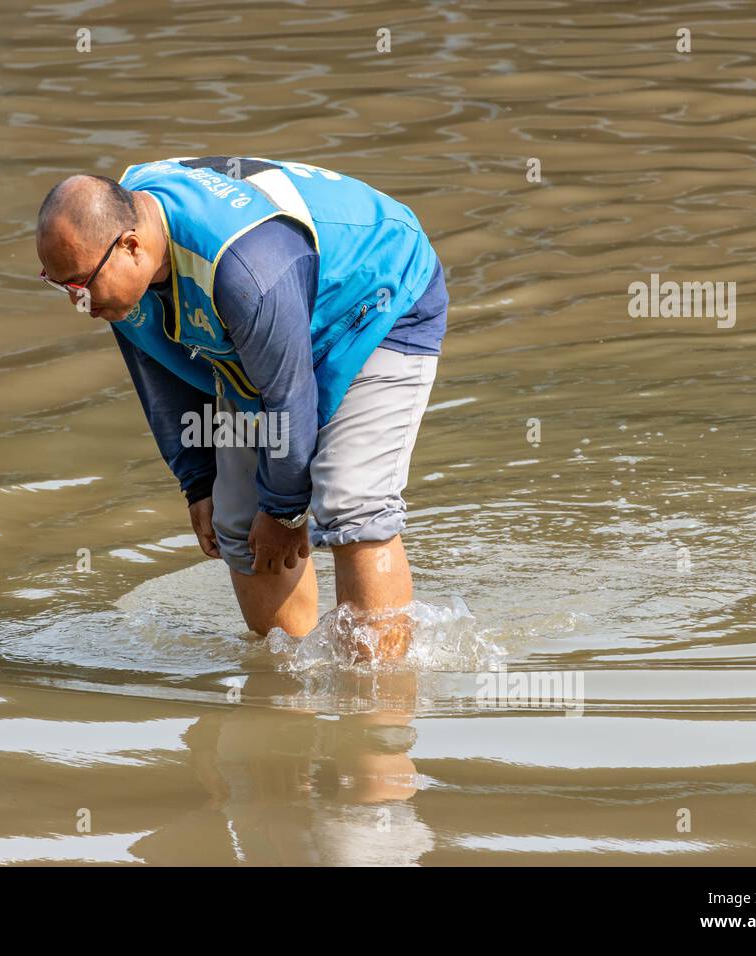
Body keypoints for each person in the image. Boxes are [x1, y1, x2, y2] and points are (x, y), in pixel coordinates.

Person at [35, 156, 447, 659]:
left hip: (375, 298)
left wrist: (285, 512)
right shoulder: (113, 251)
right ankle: (286, 698)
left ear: (132, 246)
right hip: (267, 324)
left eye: (79, 286)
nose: (80, 305)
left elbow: (289, 397)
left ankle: (375, 702)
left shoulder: (245, 269)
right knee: (235, 519)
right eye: (61, 288)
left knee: (351, 504)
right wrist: (197, 480)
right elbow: (157, 365)